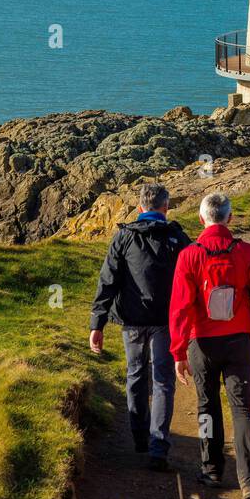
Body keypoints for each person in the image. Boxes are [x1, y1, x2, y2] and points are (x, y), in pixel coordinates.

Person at [169, 191, 250, 499]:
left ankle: (212, 471)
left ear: (201, 219)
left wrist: (178, 351)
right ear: (229, 218)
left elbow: (180, 307)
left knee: (207, 406)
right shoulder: (245, 252)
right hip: (239, 340)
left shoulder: (190, 254)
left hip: (201, 343)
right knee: (243, 410)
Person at [89, 182, 191, 471]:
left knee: (135, 374)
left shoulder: (123, 236)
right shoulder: (177, 236)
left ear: (140, 208)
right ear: (165, 207)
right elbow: (193, 275)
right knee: (162, 381)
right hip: (165, 321)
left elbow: (107, 281)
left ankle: (139, 435)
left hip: (132, 321)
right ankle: (158, 447)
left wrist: (98, 323)